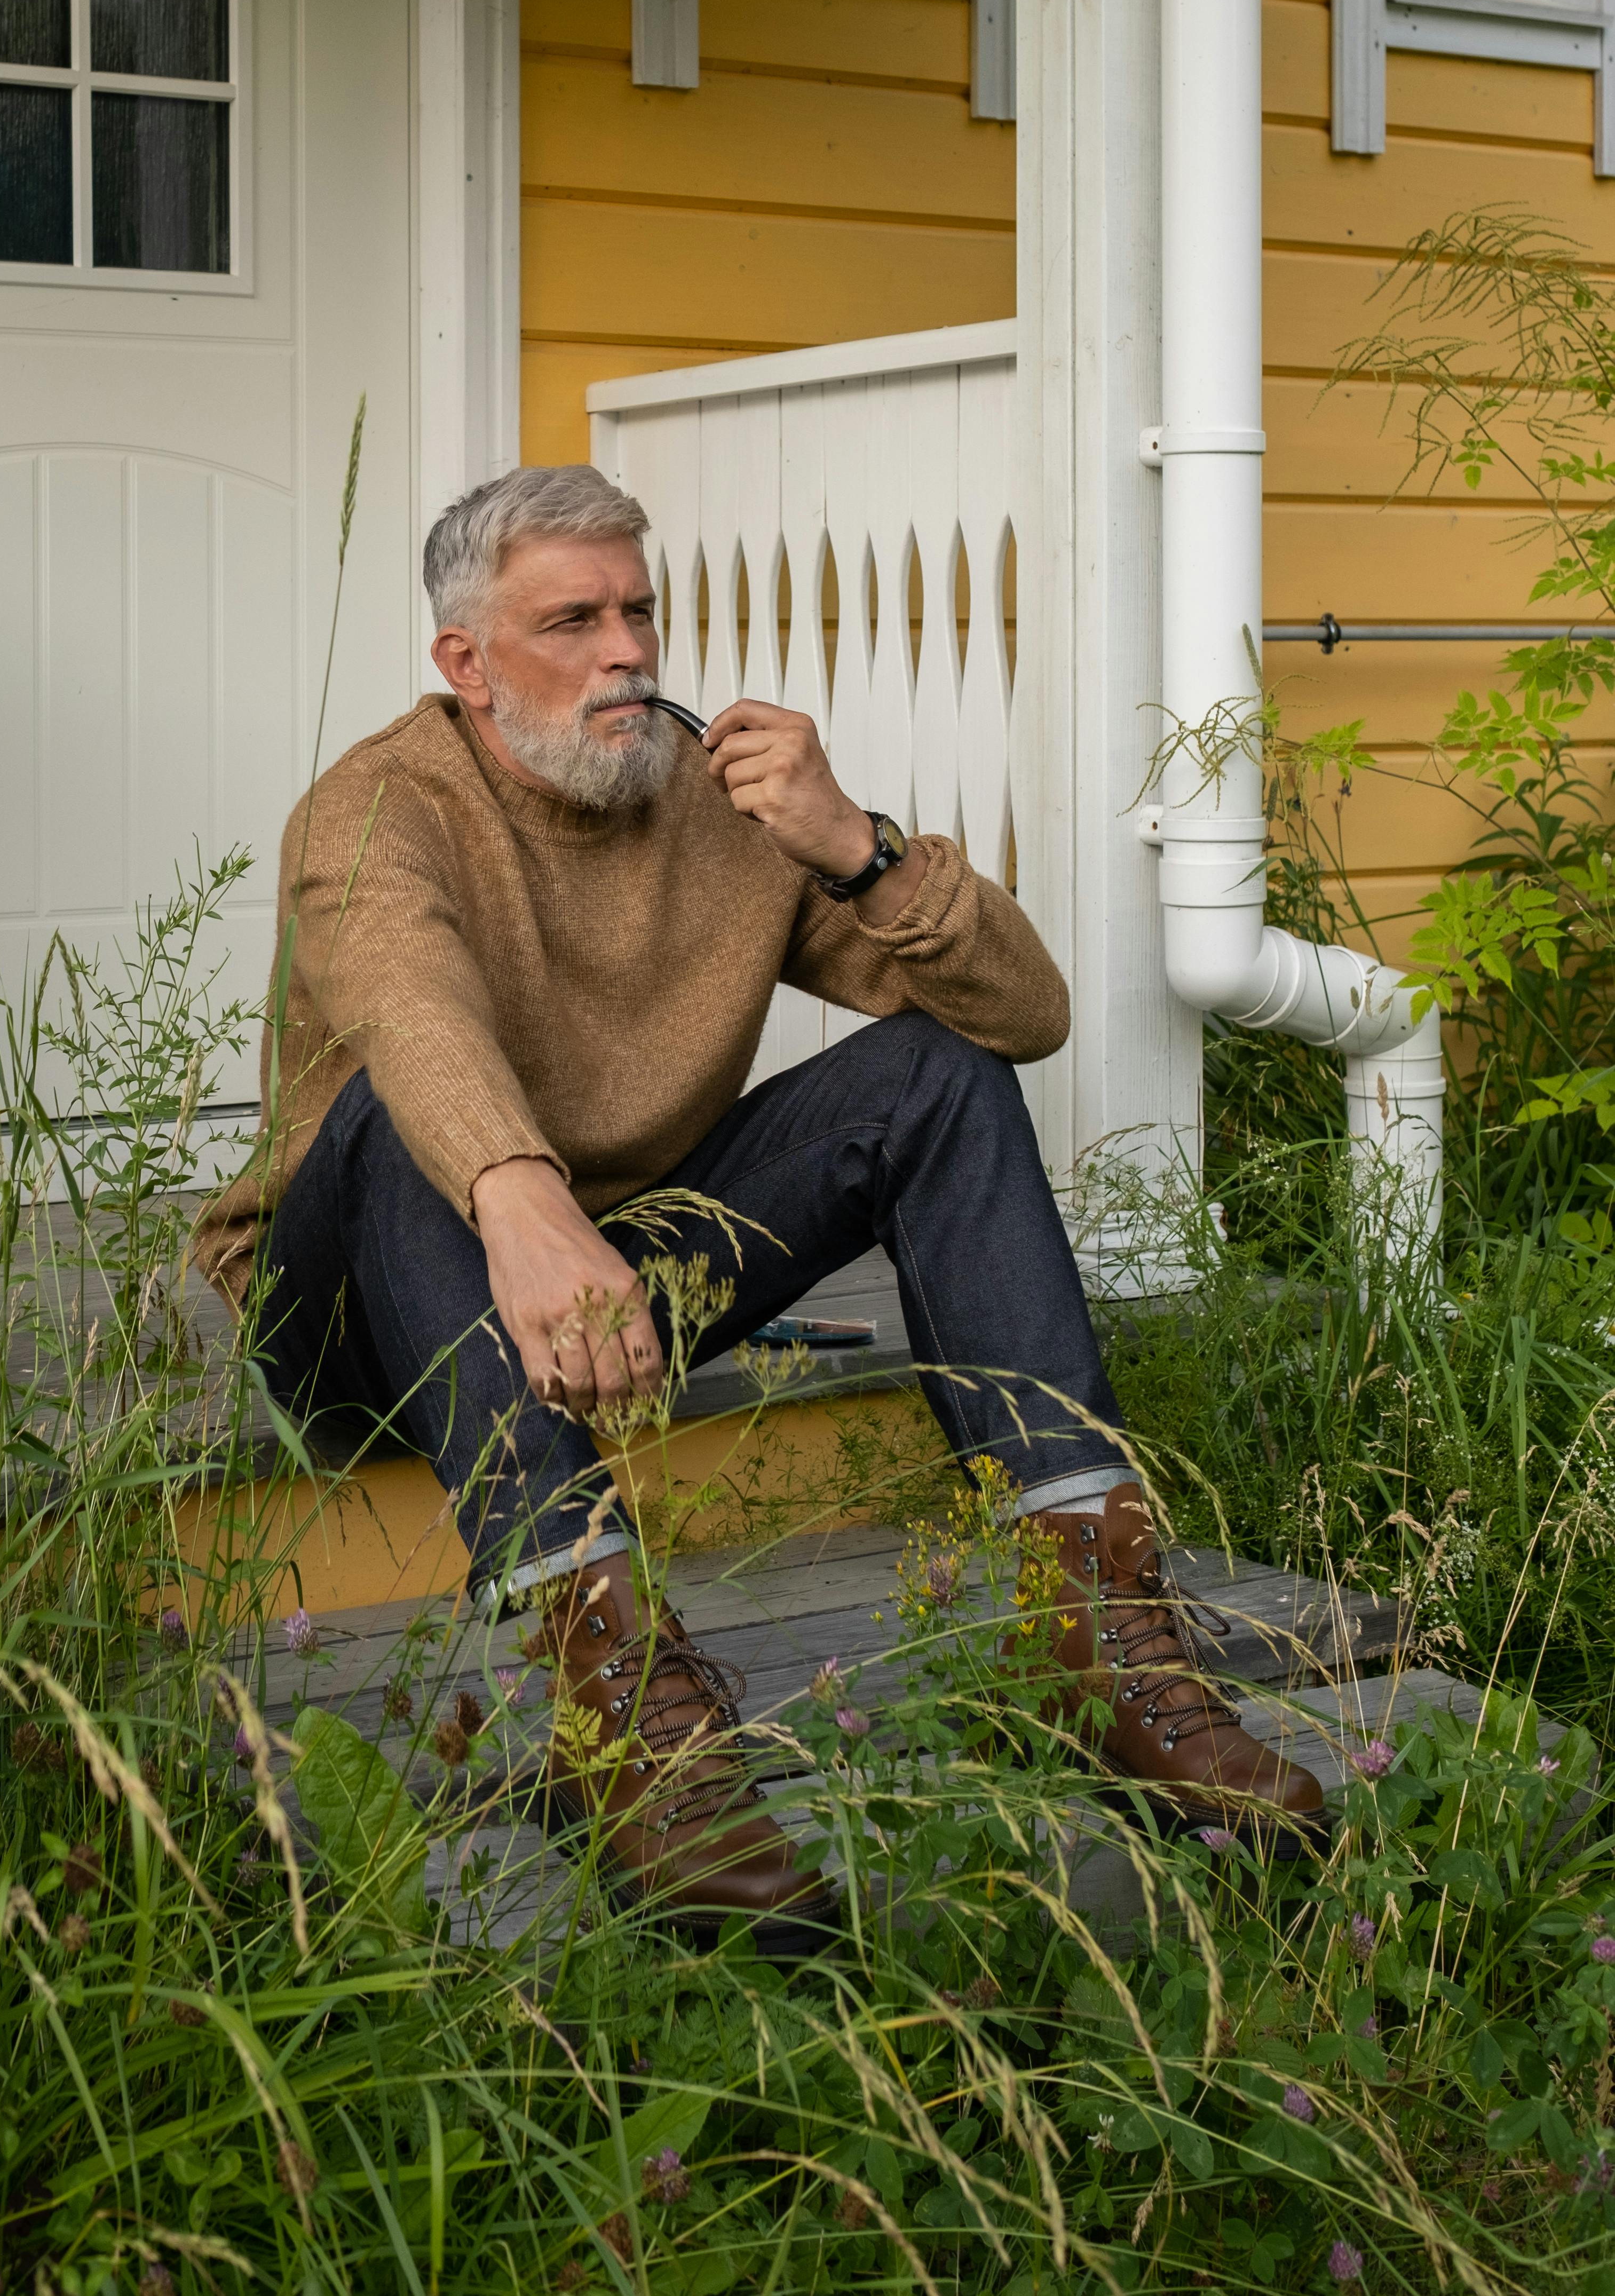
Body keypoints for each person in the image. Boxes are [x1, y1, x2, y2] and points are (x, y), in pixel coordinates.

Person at [200, 465, 1323, 1950]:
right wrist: (522, 1198)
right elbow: (412, 1013)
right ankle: (624, 1709)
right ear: (464, 662)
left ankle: (1100, 1640)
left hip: (617, 1279)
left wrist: (853, 837)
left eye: (637, 611)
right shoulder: (377, 808)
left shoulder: (714, 803)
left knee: (936, 1075)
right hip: (360, 1317)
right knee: (393, 1121)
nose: (625, 651)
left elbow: (1025, 1012)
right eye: (573, 620)